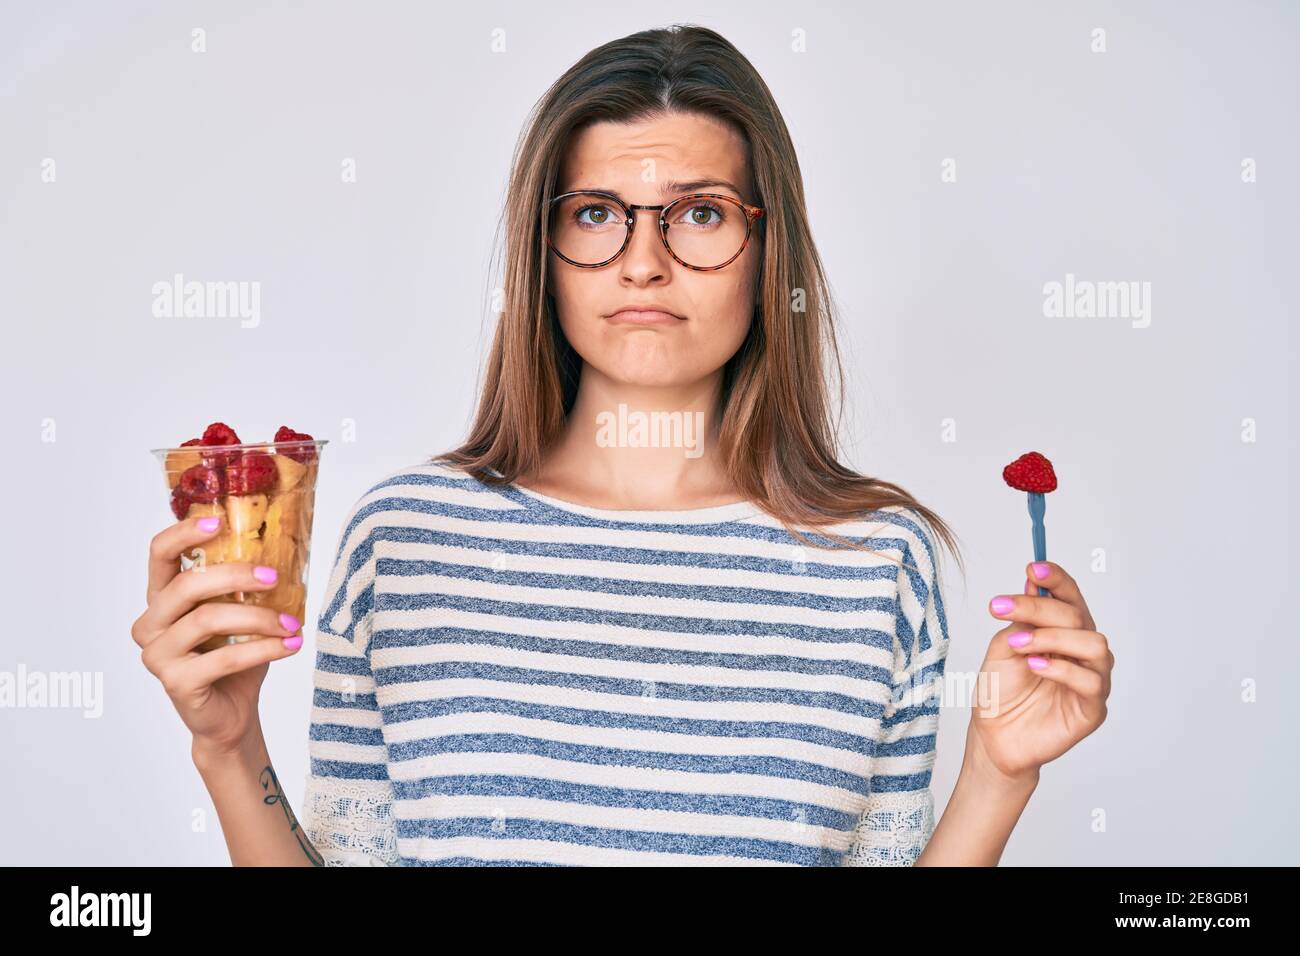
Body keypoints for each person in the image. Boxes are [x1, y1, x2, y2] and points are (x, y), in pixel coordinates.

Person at [133, 23, 1112, 866]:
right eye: (596, 214)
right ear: (542, 252)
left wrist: (994, 775)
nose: (644, 261)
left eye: (699, 214)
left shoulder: (880, 560)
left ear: (768, 254)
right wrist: (229, 744)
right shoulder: (403, 537)